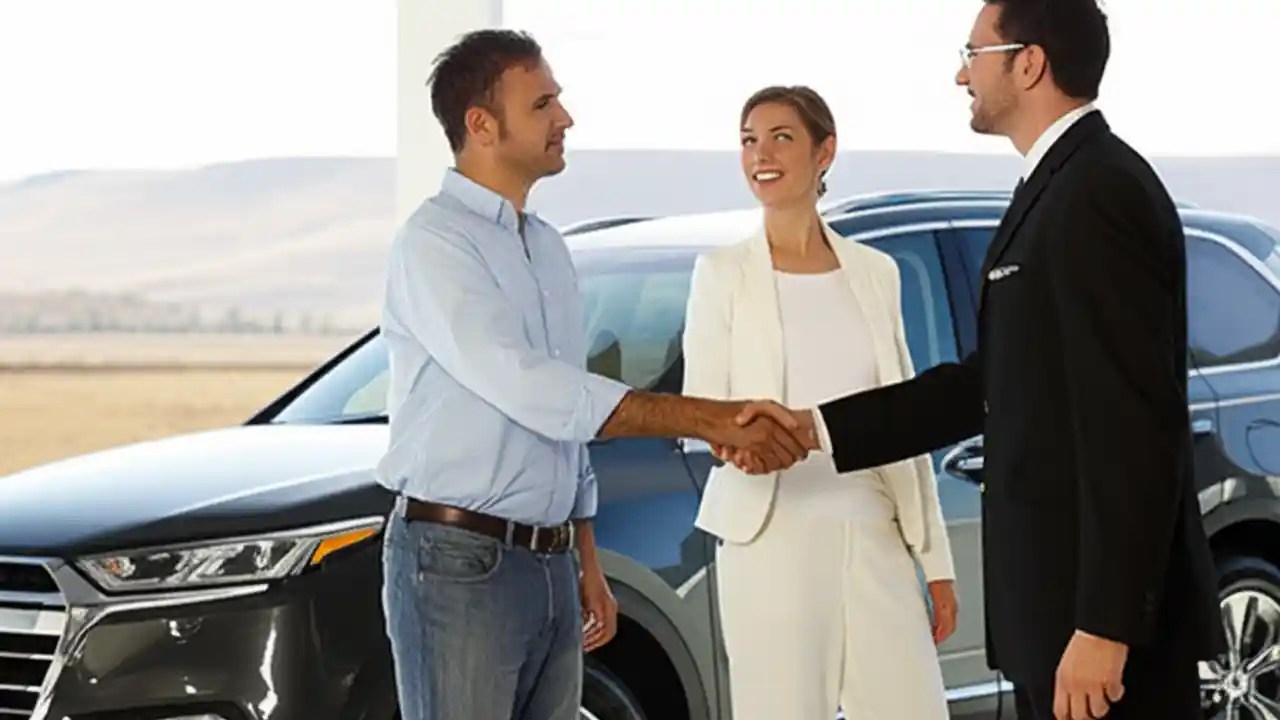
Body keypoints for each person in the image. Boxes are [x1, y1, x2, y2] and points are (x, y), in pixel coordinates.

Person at [732, 2, 1226, 719]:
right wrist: (813, 428)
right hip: (1055, 625)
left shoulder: (1097, 193)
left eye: (974, 52)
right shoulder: (1057, 185)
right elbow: (985, 382)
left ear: (1029, 63)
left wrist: (1105, 626)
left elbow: (1133, 430)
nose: (960, 73)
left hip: (1093, 639)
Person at [375, 30, 811, 720]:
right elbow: (533, 390)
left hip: (548, 562)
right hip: (459, 564)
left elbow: (564, 415)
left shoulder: (545, 246)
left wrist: (583, 558)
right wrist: (707, 417)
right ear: (481, 125)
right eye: (543, 103)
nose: (564, 120)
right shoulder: (435, 244)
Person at [681, 85, 957, 720]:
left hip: (875, 531)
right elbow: (705, 413)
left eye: (781, 137)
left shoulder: (875, 272)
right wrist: (738, 442)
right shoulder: (722, 274)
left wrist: (934, 562)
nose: (761, 154)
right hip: (769, 536)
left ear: (824, 151)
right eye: (749, 140)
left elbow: (903, 420)